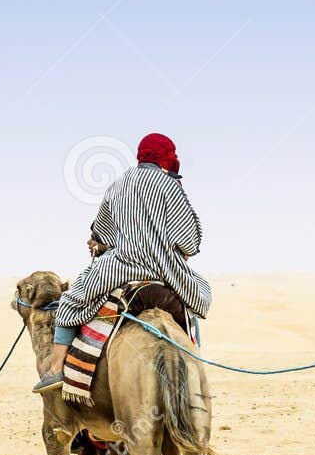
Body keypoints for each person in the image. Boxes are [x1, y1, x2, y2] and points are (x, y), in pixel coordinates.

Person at [34, 132, 211, 392]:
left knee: (72, 302)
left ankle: (57, 368)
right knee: (194, 306)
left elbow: (102, 233)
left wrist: (100, 242)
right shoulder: (170, 186)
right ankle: (196, 375)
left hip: (119, 270)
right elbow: (190, 242)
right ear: (167, 157)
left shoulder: (118, 184)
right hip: (166, 274)